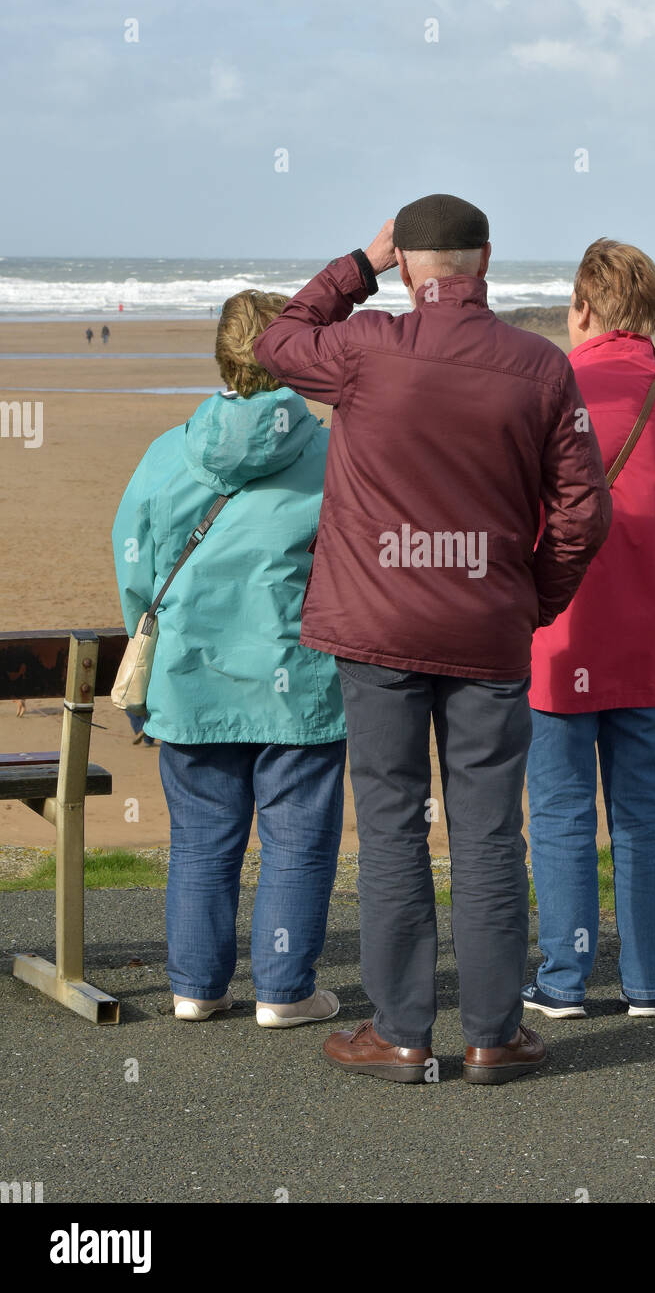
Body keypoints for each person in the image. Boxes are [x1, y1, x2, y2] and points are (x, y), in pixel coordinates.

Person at [253, 194, 612, 1084]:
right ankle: (492, 1035)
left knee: (392, 828)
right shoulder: (538, 366)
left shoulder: (366, 349)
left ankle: (403, 1032)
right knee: (490, 834)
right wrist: (533, 597)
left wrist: (359, 265)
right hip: (486, 625)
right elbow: (583, 510)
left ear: (411, 264)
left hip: (376, 630)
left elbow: (276, 339)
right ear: (485, 259)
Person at [113, 290, 346, 1028]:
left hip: (191, 679)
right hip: (298, 686)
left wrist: (147, 664)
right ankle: (282, 991)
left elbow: (137, 576)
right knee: (296, 844)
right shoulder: (333, 453)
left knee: (202, 843)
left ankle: (196, 988)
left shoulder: (166, 453)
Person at [524, 239, 655, 1022]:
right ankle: (648, 981)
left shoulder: (548, 391)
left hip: (559, 638)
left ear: (582, 307)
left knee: (563, 813)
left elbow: (517, 512)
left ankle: (565, 979)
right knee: (646, 818)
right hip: (651, 638)